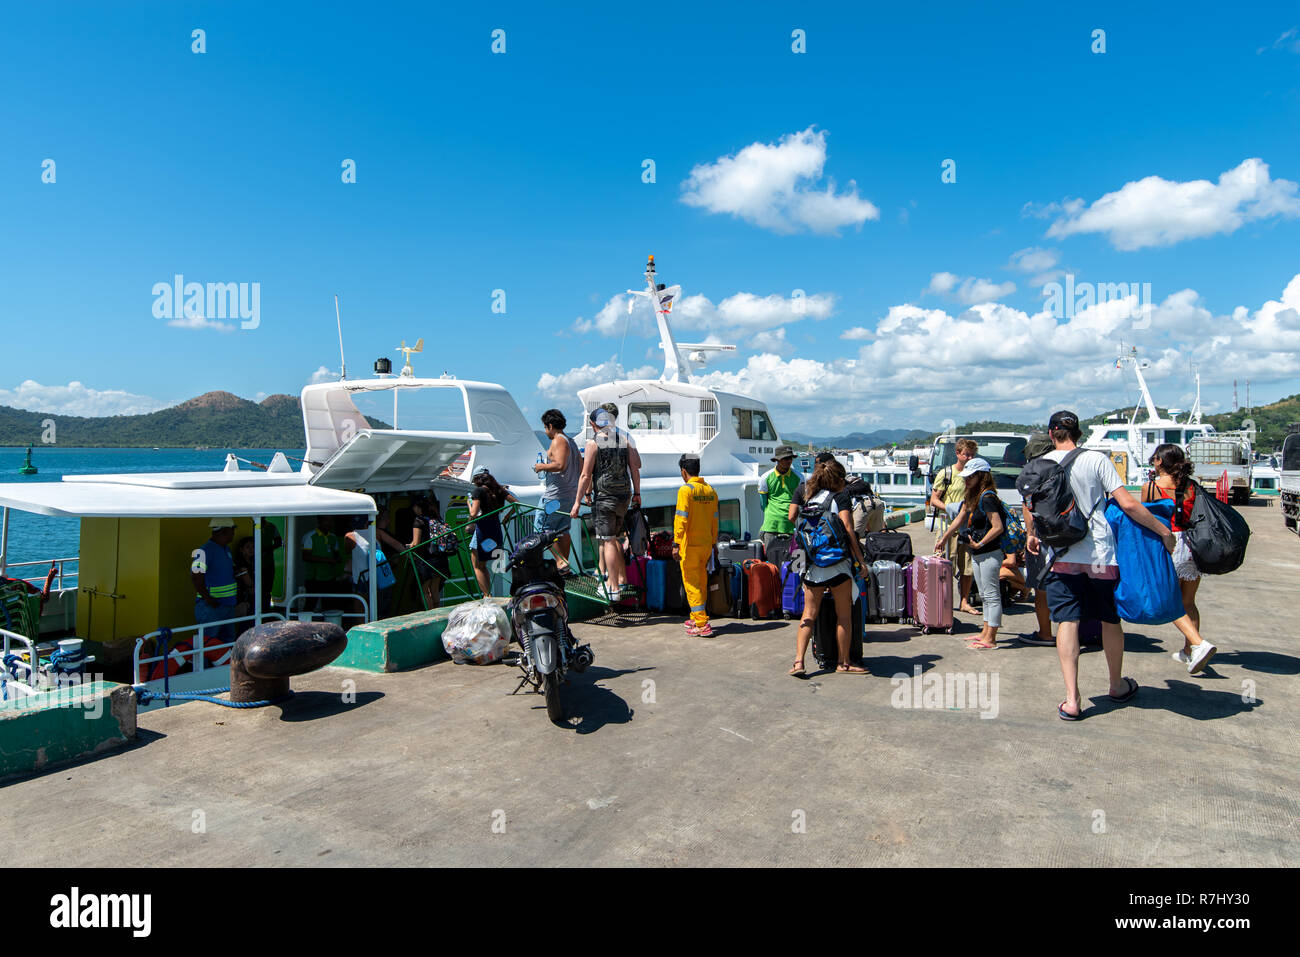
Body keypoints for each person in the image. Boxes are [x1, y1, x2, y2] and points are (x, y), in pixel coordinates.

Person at [1026, 411, 1175, 721]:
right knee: (1109, 619)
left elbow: (1031, 507)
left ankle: (1071, 699)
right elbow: (1129, 504)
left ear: (1052, 433)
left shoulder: (1039, 465)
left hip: (1060, 556)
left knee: (1067, 621)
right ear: (1077, 433)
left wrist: (1031, 535)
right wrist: (1163, 532)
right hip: (1098, 556)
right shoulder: (1097, 460)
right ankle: (1117, 685)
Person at [1141, 444, 1218, 673]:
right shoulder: (1191, 486)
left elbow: (1146, 519)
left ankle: (1198, 643)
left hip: (1169, 544)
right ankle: (1188, 652)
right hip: (1192, 544)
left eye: (1155, 458)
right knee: (1188, 602)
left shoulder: (1152, 487)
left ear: (1159, 461)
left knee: (1169, 602)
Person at [789, 459, 869, 677]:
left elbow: (792, 519)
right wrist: (860, 561)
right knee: (844, 616)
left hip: (813, 565)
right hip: (837, 566)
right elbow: (848, 528)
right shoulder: (839, 497)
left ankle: (798, 662)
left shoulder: (807, 496)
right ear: (839, 479)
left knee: (809, 614)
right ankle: (843, 663)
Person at [572, 403, 642, 600]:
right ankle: (617, 580)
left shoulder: (593, 443)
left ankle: (612, 587)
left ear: (594, 424)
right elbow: (635, 468)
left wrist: (577, 502)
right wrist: (637, 493)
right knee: (614, 537)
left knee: (607, 540)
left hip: (605, 496)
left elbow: (586, 475)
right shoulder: (624, 439)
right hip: (624, 495)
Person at [935, 458, 1005, 649]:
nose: (966, 480)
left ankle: (991, 638)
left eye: (970, 477)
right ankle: (984, 633)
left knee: (991, 595)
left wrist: (979, 543)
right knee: (984, 594)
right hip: (978, 552)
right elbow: (959, 518)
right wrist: (945, 538)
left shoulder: (988, 497)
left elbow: (997, 527)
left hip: (990, 552)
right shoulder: (972, 496)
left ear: (981, 476)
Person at [930, 438, 979, 614]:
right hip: (947, 525)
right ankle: (943, 601)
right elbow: (934, 500)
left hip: (967, 527)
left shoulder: (975, 475)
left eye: (972, 455)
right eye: (966, 454)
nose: (969, 458)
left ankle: (964, 601)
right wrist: (952, 509)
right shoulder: (946, 474)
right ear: (958, 453)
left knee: (967, 567)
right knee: (944, 565)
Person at [1016, 433, 1056, 646]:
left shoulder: (1032, 472)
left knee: (1041, 587)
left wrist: (1030, 535)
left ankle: (1045, 633)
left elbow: (1029, 508)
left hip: (1042, 536)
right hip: (1071, 536)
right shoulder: (1065, 467)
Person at [673, 455, 719, 637]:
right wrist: (714, 542)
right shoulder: (710, 490)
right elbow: (715, 519)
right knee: (701, 580)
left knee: (691, 583)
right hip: (706, 544)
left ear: (684, 471)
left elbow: (681, 518)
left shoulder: (686, 490)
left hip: (690, 545)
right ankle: (696, 615)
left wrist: (676, 542)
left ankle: (701, 623)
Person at [533, 409, 581, 573]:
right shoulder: (571, 441)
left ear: (550, 426)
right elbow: (580, 466)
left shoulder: (558, 440)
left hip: (555, 495)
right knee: (562, 530)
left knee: (542, 530)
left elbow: (560, 465)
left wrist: (541, 466)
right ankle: (564, 564)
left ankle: (560, 562)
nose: (546, 431)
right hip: (570, 494)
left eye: (545, 428)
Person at [192, 519, 239, 657]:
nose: (234, 534)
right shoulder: (203, 551)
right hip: (211, 608)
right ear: (224, 531)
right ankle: (205, 674)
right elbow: (196, 576)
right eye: (232, 530)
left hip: (227, 606)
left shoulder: (226, 549)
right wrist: (208, 599)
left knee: (226, 643)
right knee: (207, 645)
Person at [468, 469, 518, 597]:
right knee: (483, 565)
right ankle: (487, 594)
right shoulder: (498, 490)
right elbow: (516, 503)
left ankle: (487, 595)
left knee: (477, 565)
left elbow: (474, 514)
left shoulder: (478, 491)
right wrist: (507, 516)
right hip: (495, 529)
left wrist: (469, 504)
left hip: (482, 530)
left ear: (476, 479)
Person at [345, 515, 395, 618]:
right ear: (367, 522)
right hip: (377, 577)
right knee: (378, 609)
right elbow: (395, 544)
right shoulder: (377, 532)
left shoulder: (349, 536)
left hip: (361, 577)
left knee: (360, 610)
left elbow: (347, 551)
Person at [409, 495, 452, 609]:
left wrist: (409, 546)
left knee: (425, 591)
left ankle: (430, 613)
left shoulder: (419, 520)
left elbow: (416, 543)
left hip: (427, 560)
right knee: (435, 589)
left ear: (418, 507)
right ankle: (436, 612)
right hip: (440, 558)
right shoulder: (436, 519)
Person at [758, 446, 801, 553]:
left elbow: (801, 502)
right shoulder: (765, 478)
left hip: (792, 526)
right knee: (772, 562)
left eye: (791, 458)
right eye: (786, 458)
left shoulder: (799, 477)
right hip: (771, 526)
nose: (789, 461)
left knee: (793, 564)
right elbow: (763, 505)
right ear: (777, 460)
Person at [301, 515, 348, 609]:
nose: (329, 524)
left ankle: (326, 624)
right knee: (310, 605)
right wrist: (328, 560)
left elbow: (336, 554)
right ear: (319, 522)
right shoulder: (310, 536)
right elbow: (306, 556)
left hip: (330, 577)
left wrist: (338, 559)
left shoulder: (333, 537)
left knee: (329, 606)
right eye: (326, 521)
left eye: (331, 521)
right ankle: (304, 623)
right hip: (314, 578)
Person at [232, 536, 256, 618]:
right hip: (242, 600)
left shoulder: (253, 562)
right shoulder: (240, 565)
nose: (251, 549)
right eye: (247, 547)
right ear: (241, 549)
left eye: (253, 547)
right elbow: (249, 583)